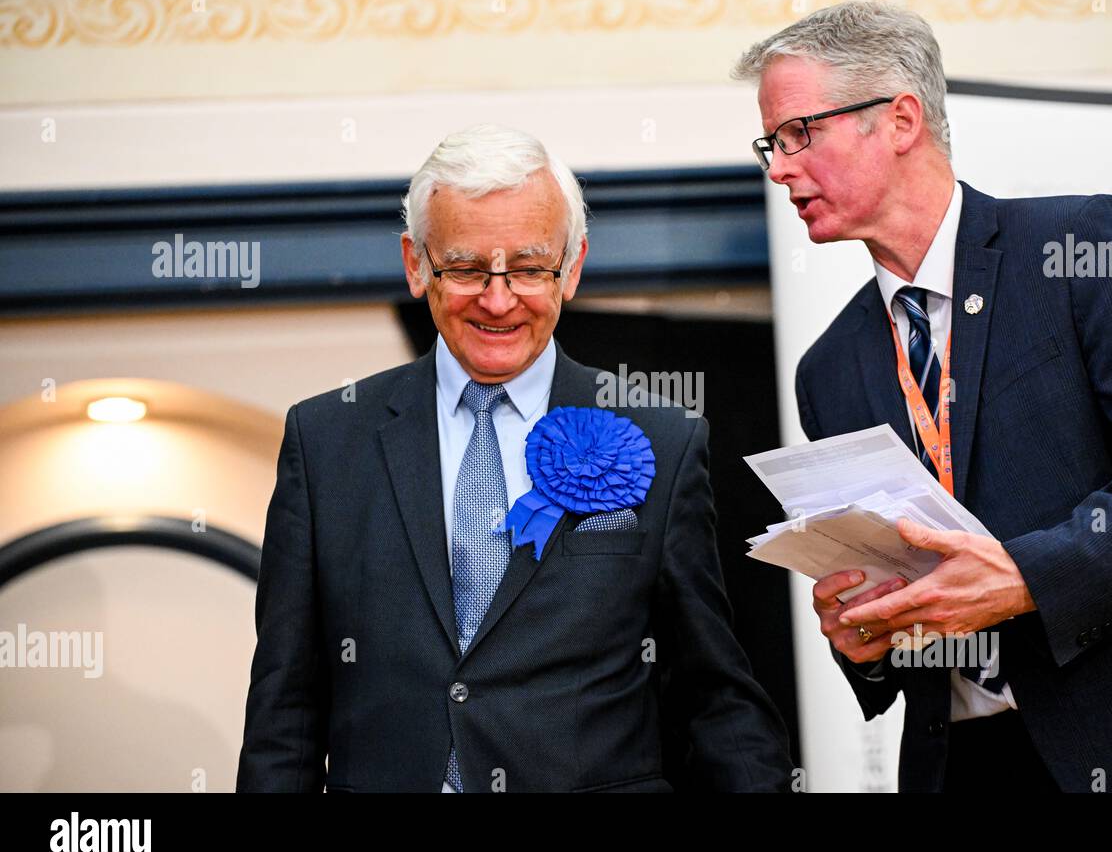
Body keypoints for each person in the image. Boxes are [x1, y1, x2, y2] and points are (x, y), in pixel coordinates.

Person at [733, 1, 1112, 793]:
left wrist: (1027, 577)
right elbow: (892, 590)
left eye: (800, 134)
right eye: (771, 144)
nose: (779, 167)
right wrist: (863, 640)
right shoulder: (828, 367)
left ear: (899, 119)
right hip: (964, 764)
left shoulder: (1086, 246)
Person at [236, 124, 792, 792]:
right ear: (416, 264)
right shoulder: (325, 441)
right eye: (467, 268)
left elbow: (717, 695)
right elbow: (284, 712)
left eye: (530, 269)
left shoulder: (663, 440)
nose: (498, 301)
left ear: (574, 265)